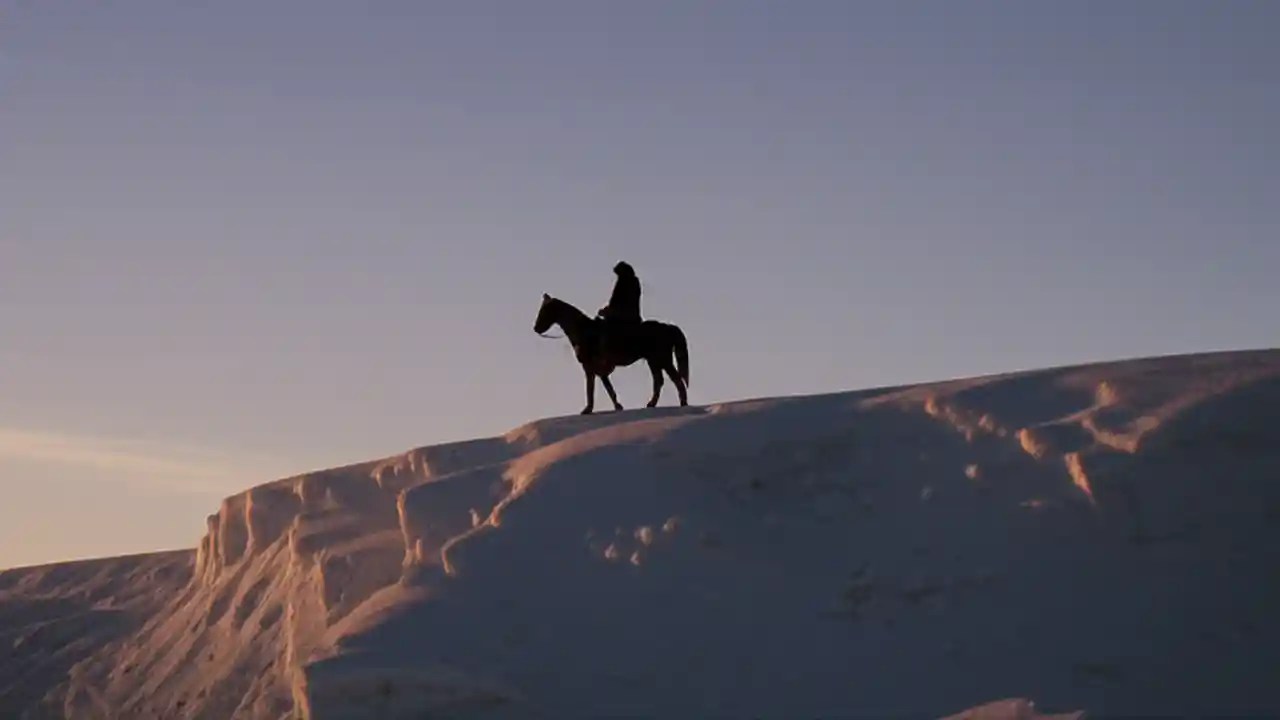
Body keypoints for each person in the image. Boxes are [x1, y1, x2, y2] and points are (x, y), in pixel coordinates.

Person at [596, 261, 642, 350]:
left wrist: (608, 311)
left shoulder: (624, 282)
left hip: (624, 315)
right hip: (629, 315)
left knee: (602, 329)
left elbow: (618, 301)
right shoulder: (633, 281)